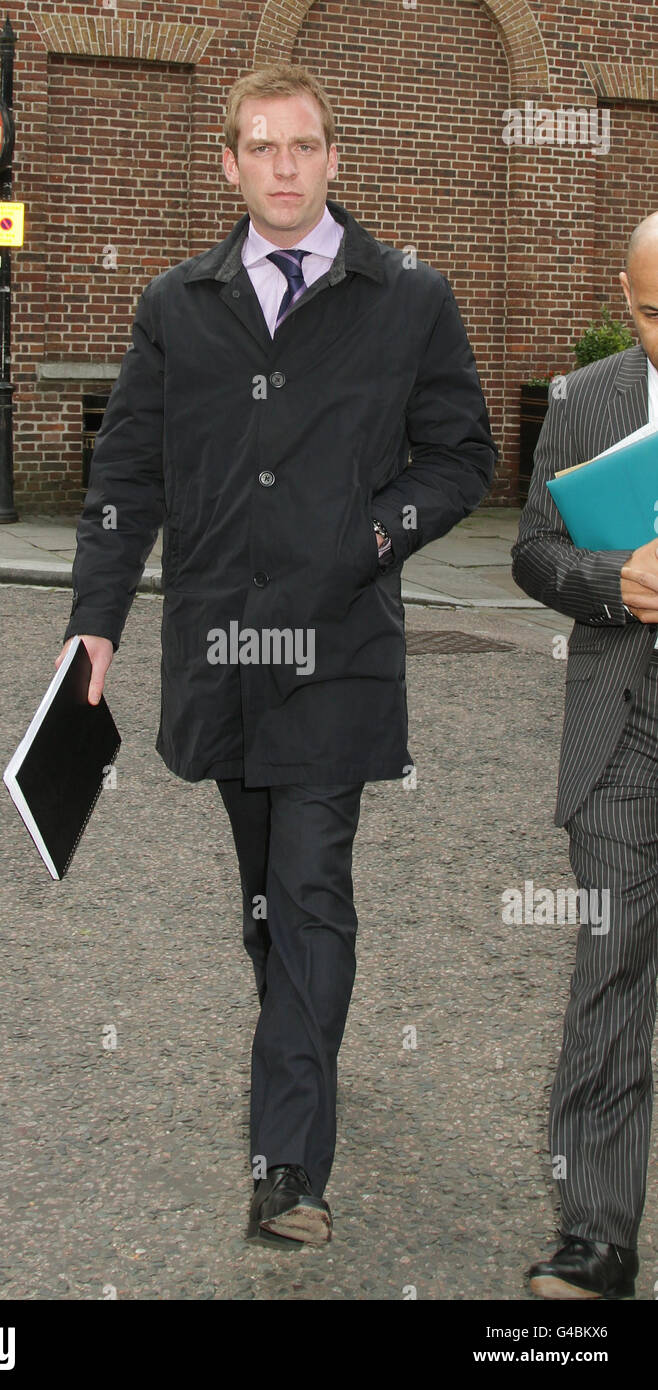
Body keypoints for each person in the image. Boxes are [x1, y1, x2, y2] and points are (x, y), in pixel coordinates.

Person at [57, 61, 496, 1245]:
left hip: (339, 651)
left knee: (308, 890)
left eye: (303, 145)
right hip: (221, 654)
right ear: (230, 164)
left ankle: (289, 1164)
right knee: (264, 907)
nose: (284, 166)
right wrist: (93, 623)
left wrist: (371, 531)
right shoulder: (176, 303)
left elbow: (462, 454)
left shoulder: (407, 296)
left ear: (333, 157)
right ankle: (297, 1046)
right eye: (262, 147)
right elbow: (123, 477)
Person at [512, 211, 658, 1298]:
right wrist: (611, 581)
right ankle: (595, 1234)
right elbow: (531, 551)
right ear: (621, 294)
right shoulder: (580, 404)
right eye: (654, 314)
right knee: (608, 968)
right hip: (622, 729)